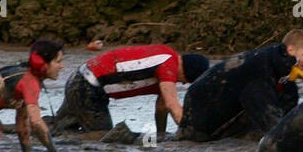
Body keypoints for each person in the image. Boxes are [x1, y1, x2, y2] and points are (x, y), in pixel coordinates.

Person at [177, 29, 303, 142]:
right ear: (290, 50)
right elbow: (269, 118)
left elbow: (288, 109)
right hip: (200, 114)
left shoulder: (281, 70)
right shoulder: (261, 67)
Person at [54, 44, 211, 135]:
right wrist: (190, 133)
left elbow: (162, 107)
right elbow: (173, 105)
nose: (183, 85)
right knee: (103, 137)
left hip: (80, 78)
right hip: (87, 87)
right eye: (186, 81)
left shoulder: (166, 64)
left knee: (58, 127)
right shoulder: (168, 64)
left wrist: (160, 135)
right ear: (188, 72)